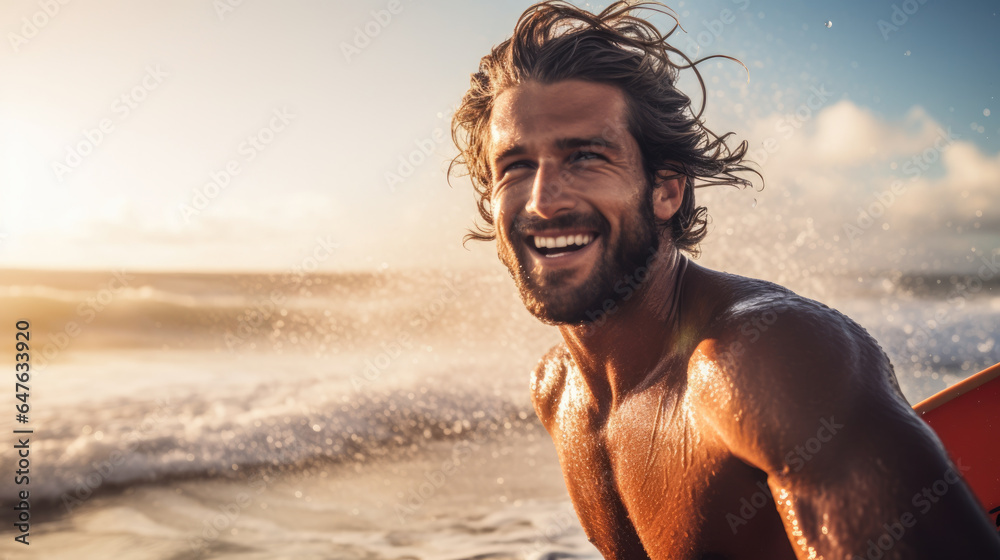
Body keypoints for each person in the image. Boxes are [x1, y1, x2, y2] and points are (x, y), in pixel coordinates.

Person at [448, 2, 1000, 559]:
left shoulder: (760, 359)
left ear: (667, 190)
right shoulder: (558, 389)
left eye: (586, 157)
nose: (542, 201)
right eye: (516, 166)